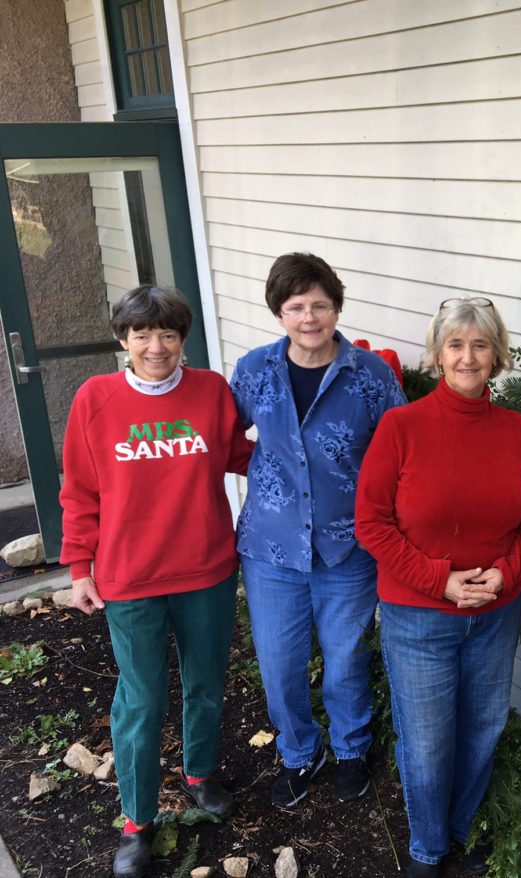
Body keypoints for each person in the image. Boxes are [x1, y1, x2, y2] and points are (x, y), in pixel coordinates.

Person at [60, 285, 253, 878]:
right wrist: (79, 568)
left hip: (205, 566)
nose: (155, 347)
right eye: (141, 334)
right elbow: (79, 491)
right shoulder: (95, 399)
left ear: (182, 338)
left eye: (167, 334)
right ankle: (137, 820)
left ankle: (199, 773)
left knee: (205, 683)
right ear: (124, 339)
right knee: (141, 700)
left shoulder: (211, 391)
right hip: (130, 576)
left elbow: (243, 455)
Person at [354, 296, 521, 878]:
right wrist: (439, 580)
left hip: (496, 613)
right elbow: (370, 523)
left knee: (483, 728)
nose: (468, 357)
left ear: (497, 355)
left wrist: (508, 572)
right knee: (427, 742)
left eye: (480, 345)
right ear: (438, 354)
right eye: (456, 345)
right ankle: (427, 850)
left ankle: (459, 831)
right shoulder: (402, 427)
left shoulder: (515, 429)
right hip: (419, 617)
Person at [230, 253, 406, 809]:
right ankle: (300, 752)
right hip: (271, 548)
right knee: (280, 664)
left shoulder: (370, 376)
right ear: (279, 313)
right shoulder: (254, 370)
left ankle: (351, 749)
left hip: (346, 547)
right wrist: (265, 473)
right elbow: (223, 434)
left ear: (337, 308)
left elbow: (401, 453)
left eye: (320, 305)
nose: (309, 317)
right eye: (296, 307)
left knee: (346, 658)